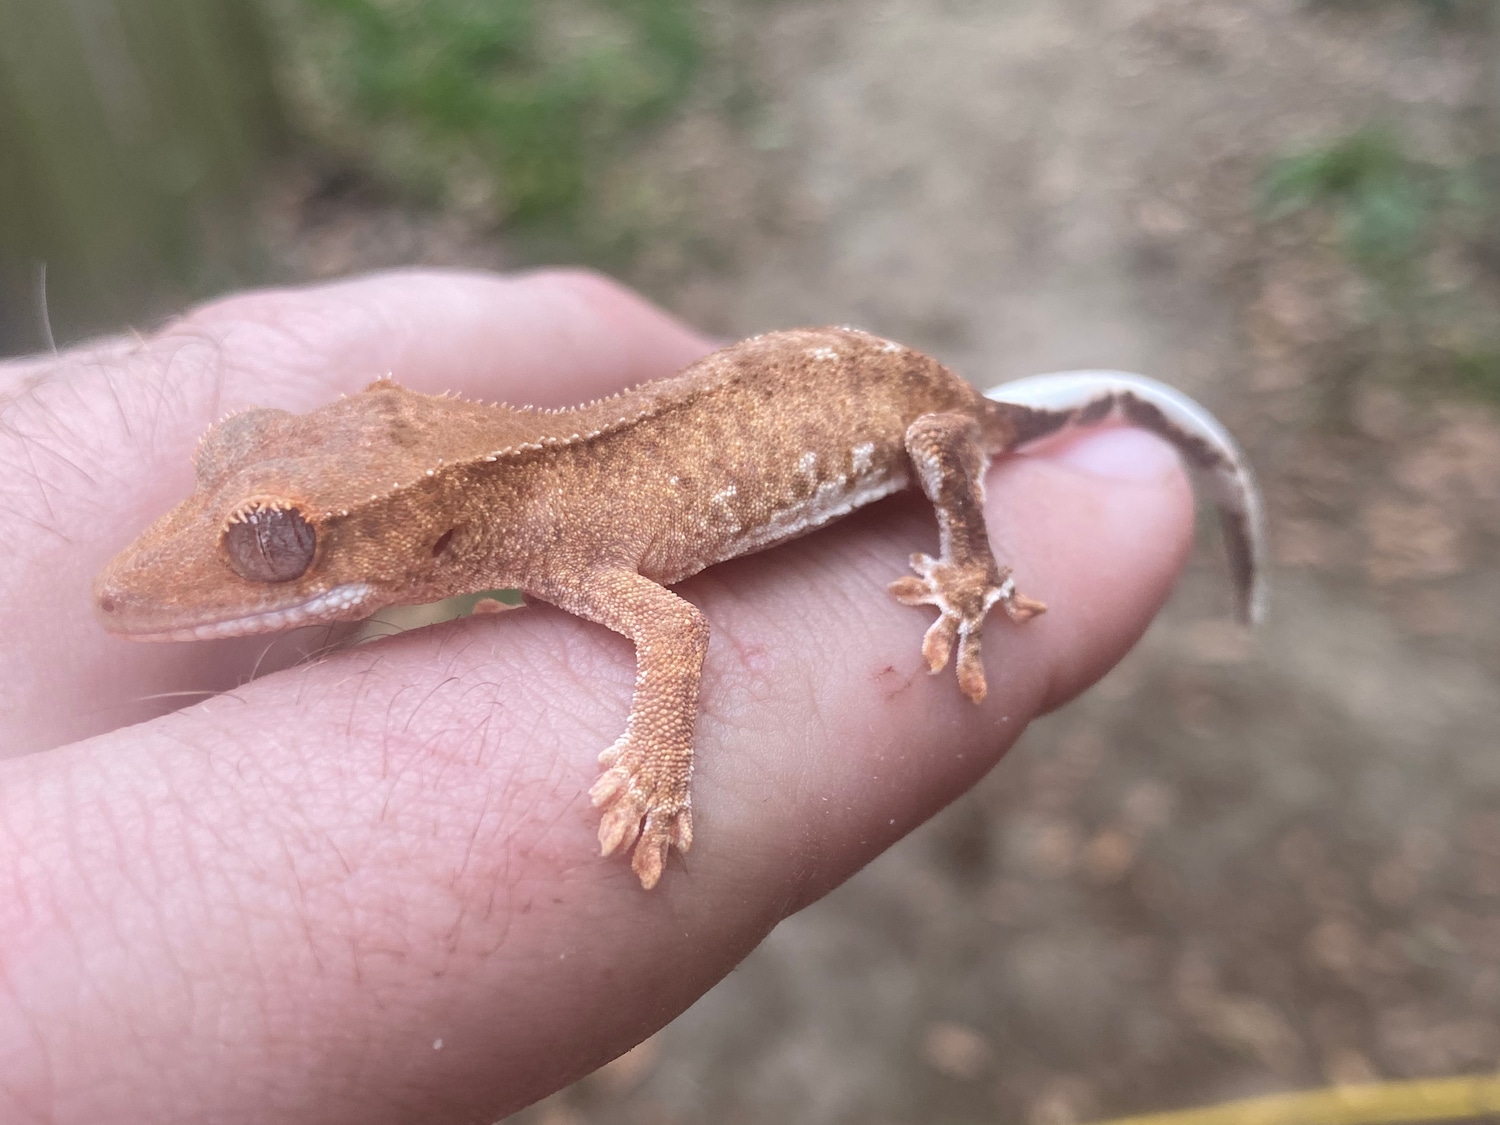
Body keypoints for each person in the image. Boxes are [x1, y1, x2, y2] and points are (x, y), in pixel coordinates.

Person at [0, 269, 1195, 1124]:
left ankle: (984, 565)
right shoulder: (514, 532)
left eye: (275, 543)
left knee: (943, 444)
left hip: (916, 417)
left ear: (436, 520)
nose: (256, 560)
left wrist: (659, 770)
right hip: (806, 387)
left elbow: (675, 632)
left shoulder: (569, 542)